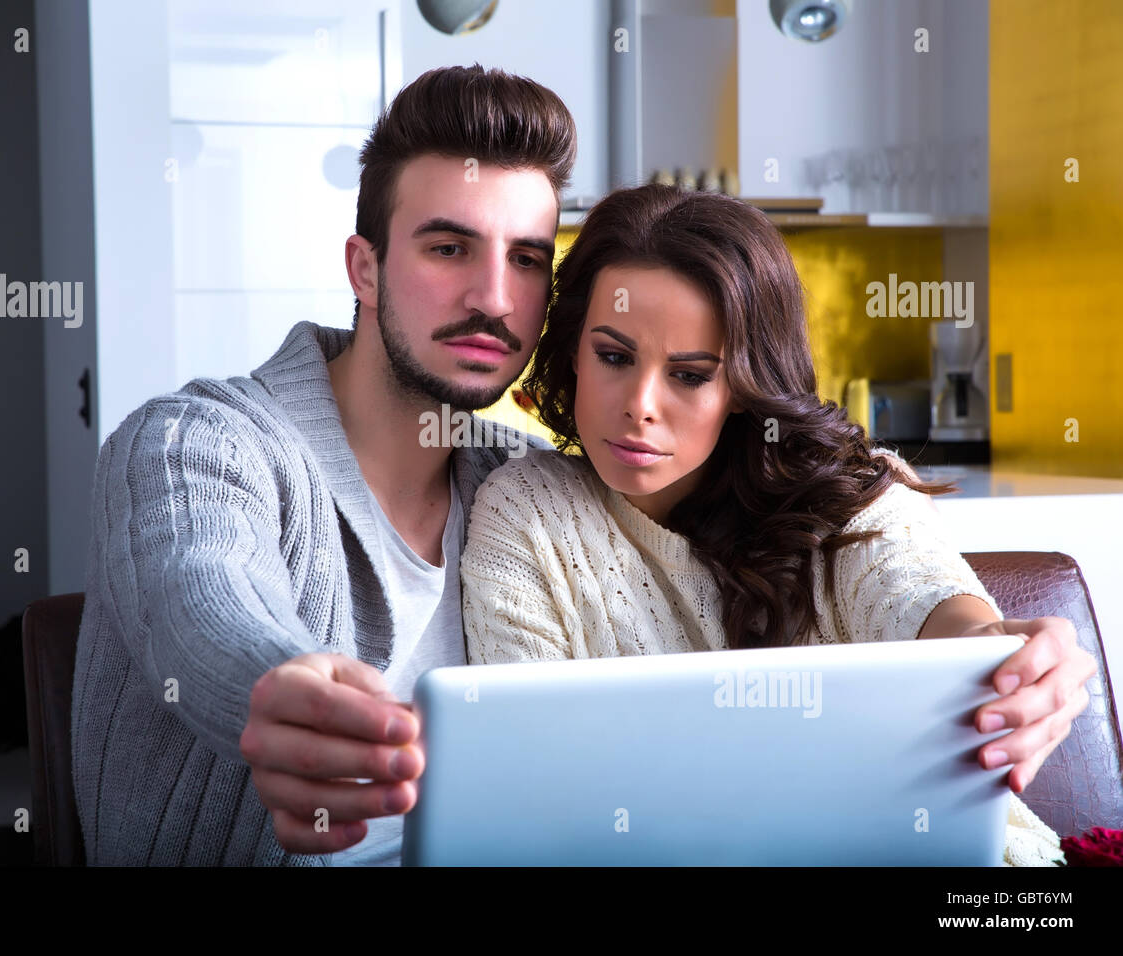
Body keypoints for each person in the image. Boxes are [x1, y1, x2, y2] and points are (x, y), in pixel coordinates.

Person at [459, 185, 1097, 866]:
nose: (640, 405)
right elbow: (530, 786)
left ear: (743, 388)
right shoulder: (524, 512)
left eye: (690, 375)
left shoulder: (849, 496)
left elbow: (916, 590)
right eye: (614, 357)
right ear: (573, 354)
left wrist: (996, 651)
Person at [70, 64, 577, 865]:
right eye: (450, 247)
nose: (494, 297)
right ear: (364, 269)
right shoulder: (190, 441)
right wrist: (278, 686)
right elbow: (199, 588)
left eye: (527, 260)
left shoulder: (531, 487)